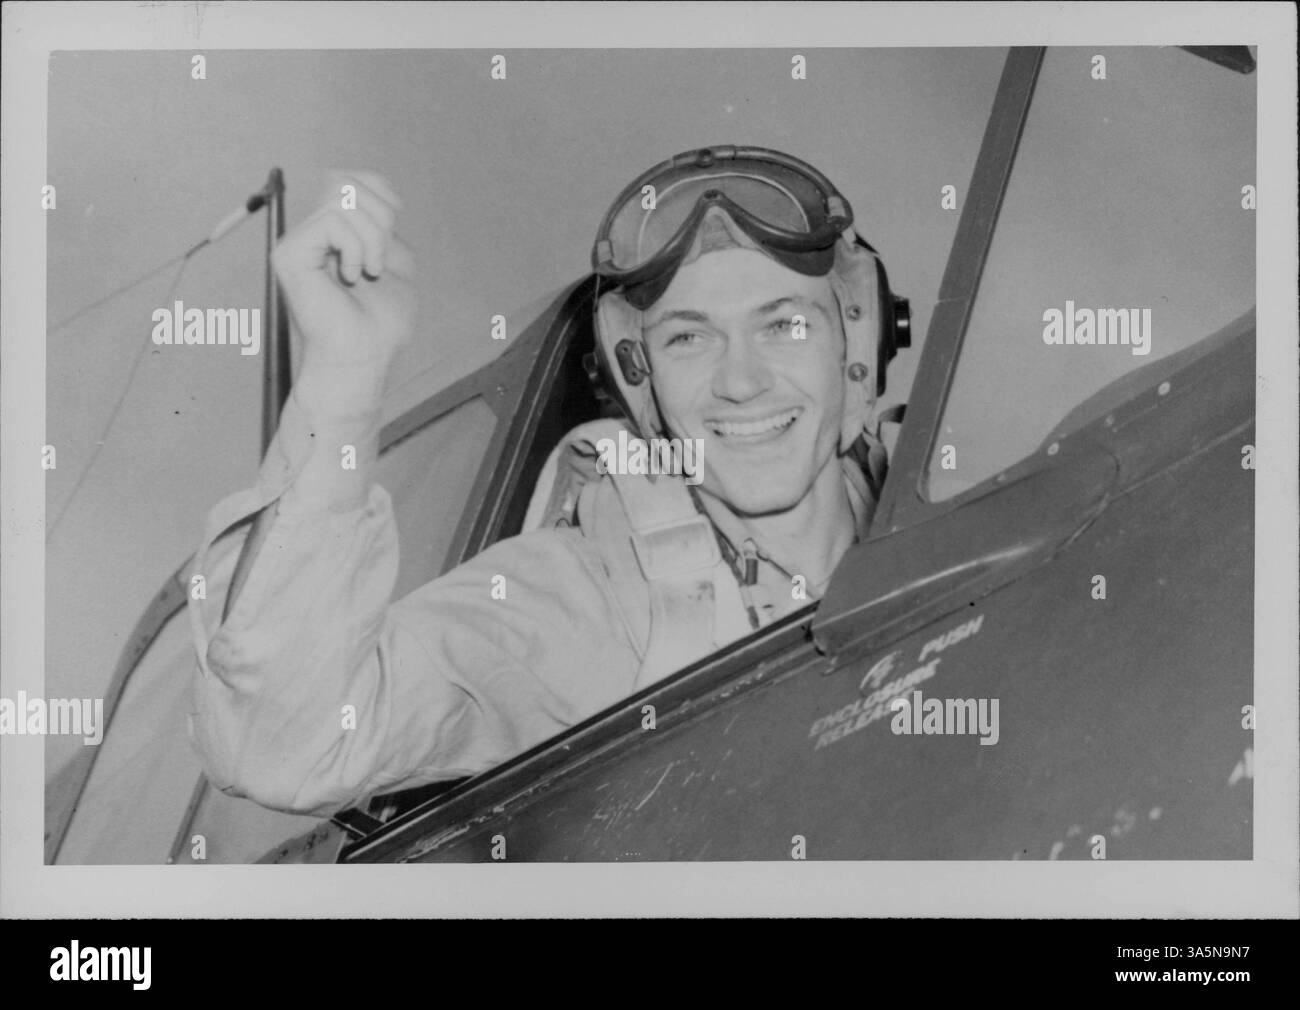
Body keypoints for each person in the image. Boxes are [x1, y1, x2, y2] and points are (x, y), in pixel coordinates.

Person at [186, 146, 909, 816]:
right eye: (688, 337)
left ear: (857, 340)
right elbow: (280, 746)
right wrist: (342, 380)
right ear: (641, 381)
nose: (742, 382)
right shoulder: (575, 600)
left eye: (784, 325)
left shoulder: (937, 512)